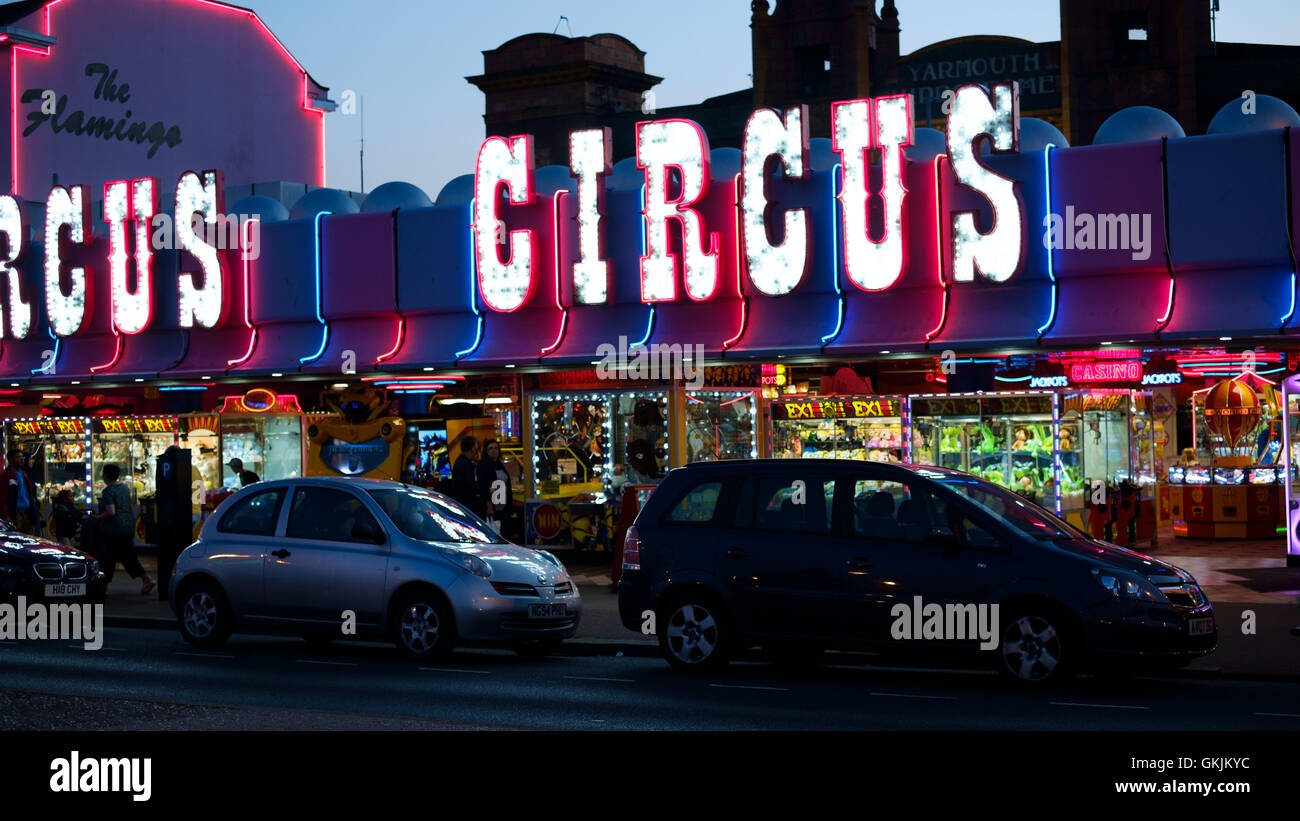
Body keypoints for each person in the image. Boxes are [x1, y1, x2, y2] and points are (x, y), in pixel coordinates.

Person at [96, 464, 154, 594]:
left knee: (108, 559)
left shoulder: (108, 491)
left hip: (113, 529)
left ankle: (104, 586)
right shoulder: (124, 488)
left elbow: (111, 512)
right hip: (127, 526)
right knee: (127, 556)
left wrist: (98, 517)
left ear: (105, 475)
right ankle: (145, 579)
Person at [476, 439, 513, 537]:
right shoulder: (483, 465)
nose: (494, 450)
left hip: (503, 506)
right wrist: (489, 506)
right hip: (492, 507)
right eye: (491, 448)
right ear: (486, 451)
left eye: (496, 448)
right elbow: (483, 487)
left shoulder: (499, 465)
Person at [2, 448, 41, 535]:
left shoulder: (24, 474)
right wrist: (6, 515)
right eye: (18, 457)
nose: (22, 459)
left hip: (27, 512)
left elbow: (29, 493)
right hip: (15, 514)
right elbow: (2, 496)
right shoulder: (6, 475)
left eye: (22, 457)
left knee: (29, 539)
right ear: (11, 460)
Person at [451, 435, 486, 518]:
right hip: (467, 507)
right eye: (476, 446)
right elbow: (470, 486)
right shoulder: (466, 464)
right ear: (472, 448)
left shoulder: (460, 461)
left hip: (462, 505)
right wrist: (485, 490)